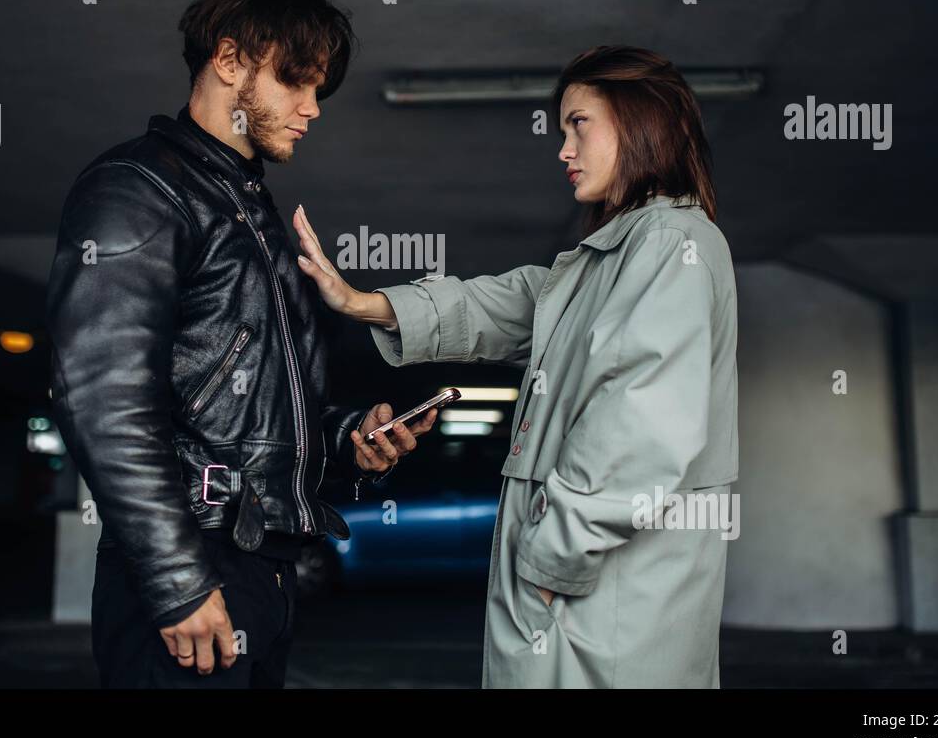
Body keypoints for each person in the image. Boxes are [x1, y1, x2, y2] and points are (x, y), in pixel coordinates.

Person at [294, 45, 739, 688]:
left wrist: (550, 564)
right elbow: (499, 304)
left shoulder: (672, 246)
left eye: (578, 124)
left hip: (604, 611)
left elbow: (641, 427)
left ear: (643, 123)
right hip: (582, 602)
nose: (563, 148)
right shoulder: (609, 260)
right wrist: (364, 303)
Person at [44, 0, 436, 688]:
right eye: (296, 81)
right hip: (193, 563)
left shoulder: (252, 215)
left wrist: (350, 439)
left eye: (320, 89)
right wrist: (176, 580)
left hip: (262, 567)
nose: (312, 108)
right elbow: (100, 401)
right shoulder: (139, 190)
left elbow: (249, 409)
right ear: (229, 62)